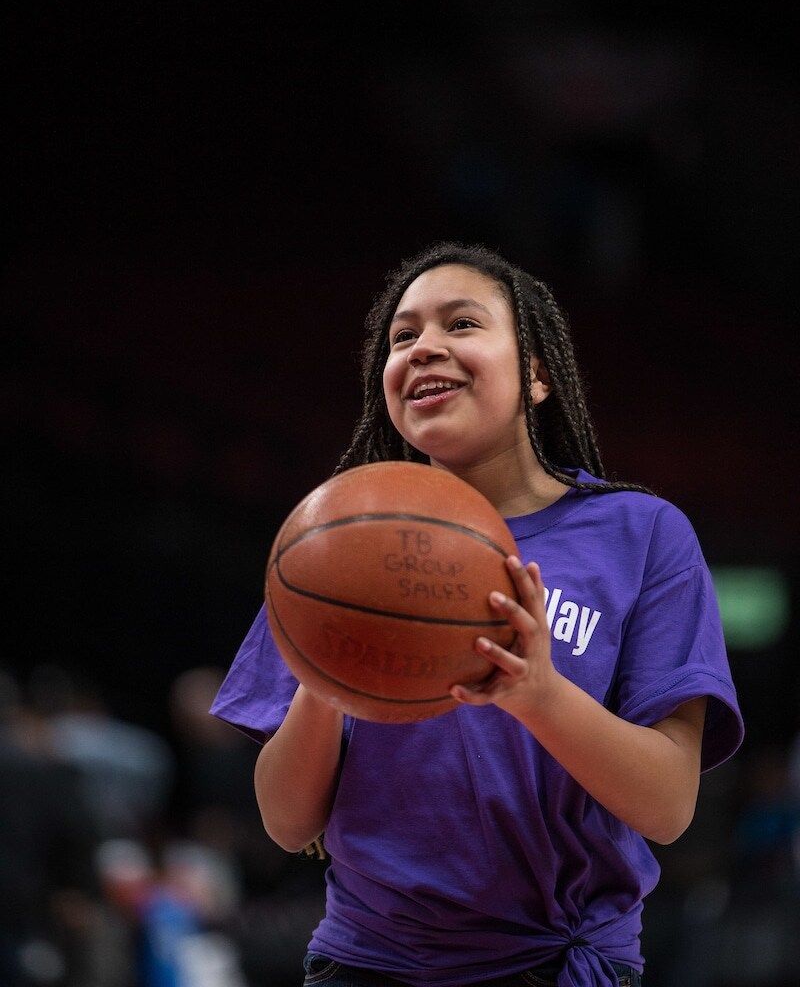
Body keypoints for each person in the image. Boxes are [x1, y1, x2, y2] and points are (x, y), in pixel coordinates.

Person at [210, 241, 744, 987]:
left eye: (462, 324)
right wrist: (329, 680)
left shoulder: (642, 534)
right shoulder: (332, 542)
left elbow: (669, 808)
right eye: (404, 337)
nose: (425, 346)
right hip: (368, 962)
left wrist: (540, 695)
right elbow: (287, 823)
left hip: (557, 962)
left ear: (537, 374)